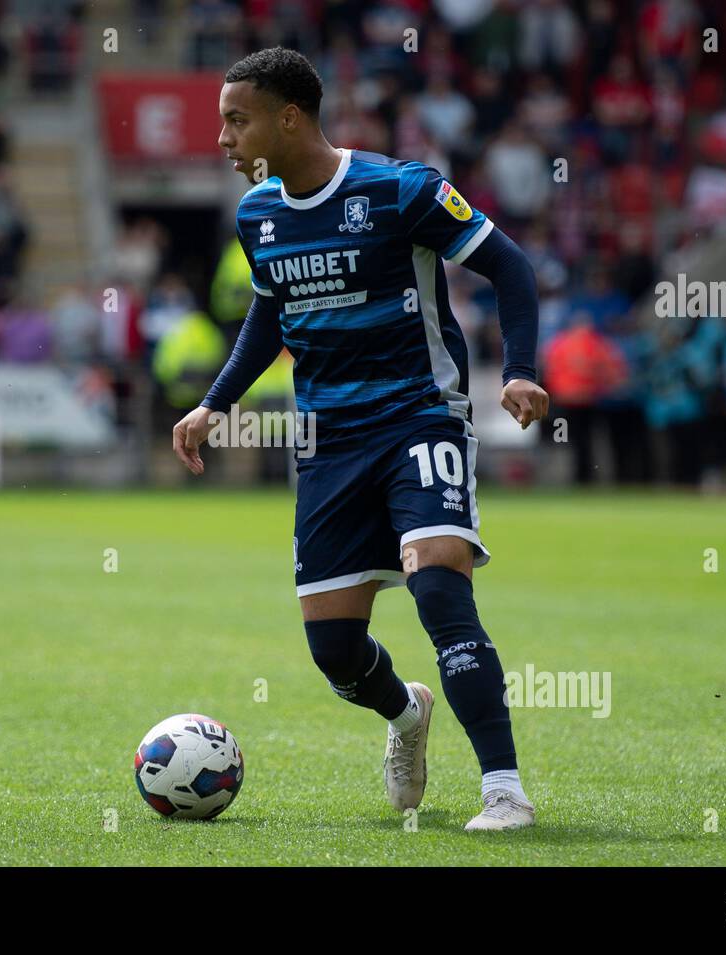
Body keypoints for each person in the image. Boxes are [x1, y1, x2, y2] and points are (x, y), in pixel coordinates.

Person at [172, 49, 549, 831]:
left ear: (289, 117)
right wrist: (214, 402)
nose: (224, 138)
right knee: (336, 652)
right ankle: (407, 716)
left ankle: (504, 790)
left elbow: (510, 268)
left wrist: (519, 369)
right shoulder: (257, 216)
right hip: (327, 440)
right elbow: (269, 315)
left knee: (440, 586)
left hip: (419, 416)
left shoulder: (400, 190)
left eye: (236, 120)